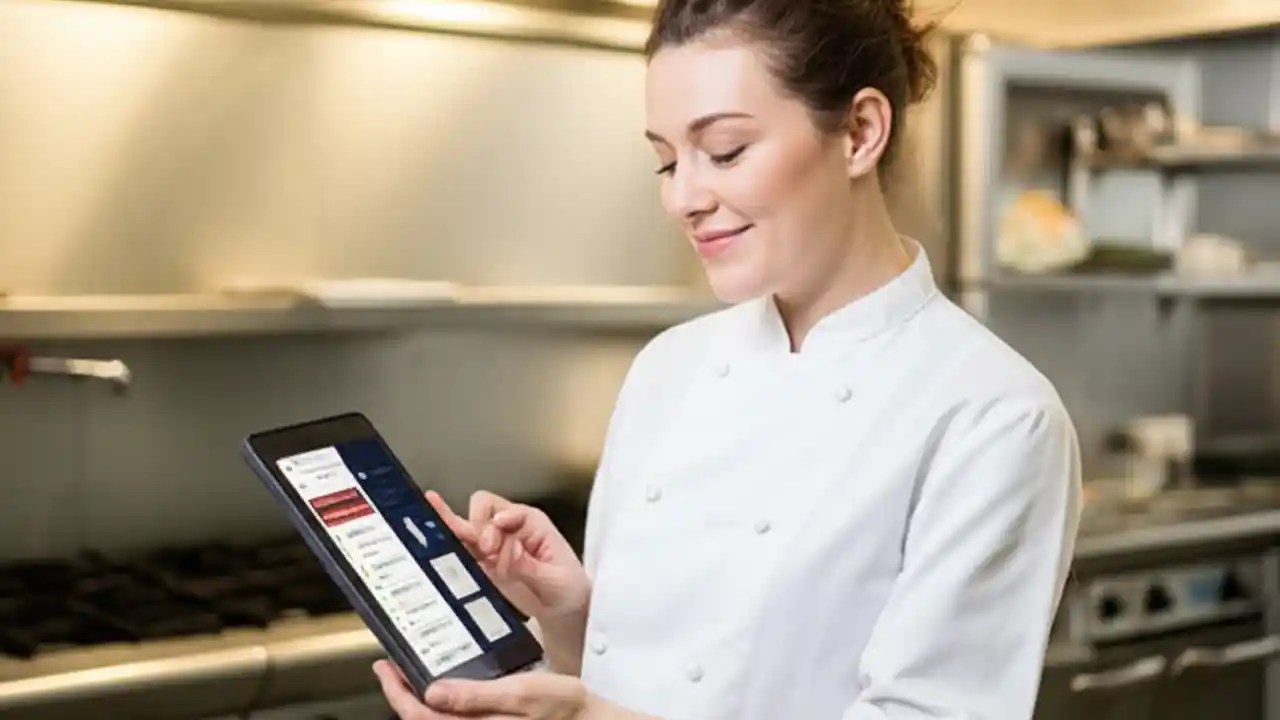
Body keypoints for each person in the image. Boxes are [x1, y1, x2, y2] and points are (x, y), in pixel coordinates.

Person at [373, 0, 1082, 717]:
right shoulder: (668, 368)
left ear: (860, 133)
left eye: (726, 151)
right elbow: (636, 685)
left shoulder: (994, 415)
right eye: (666, 161)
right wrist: (570, 616)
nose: (682, 198)